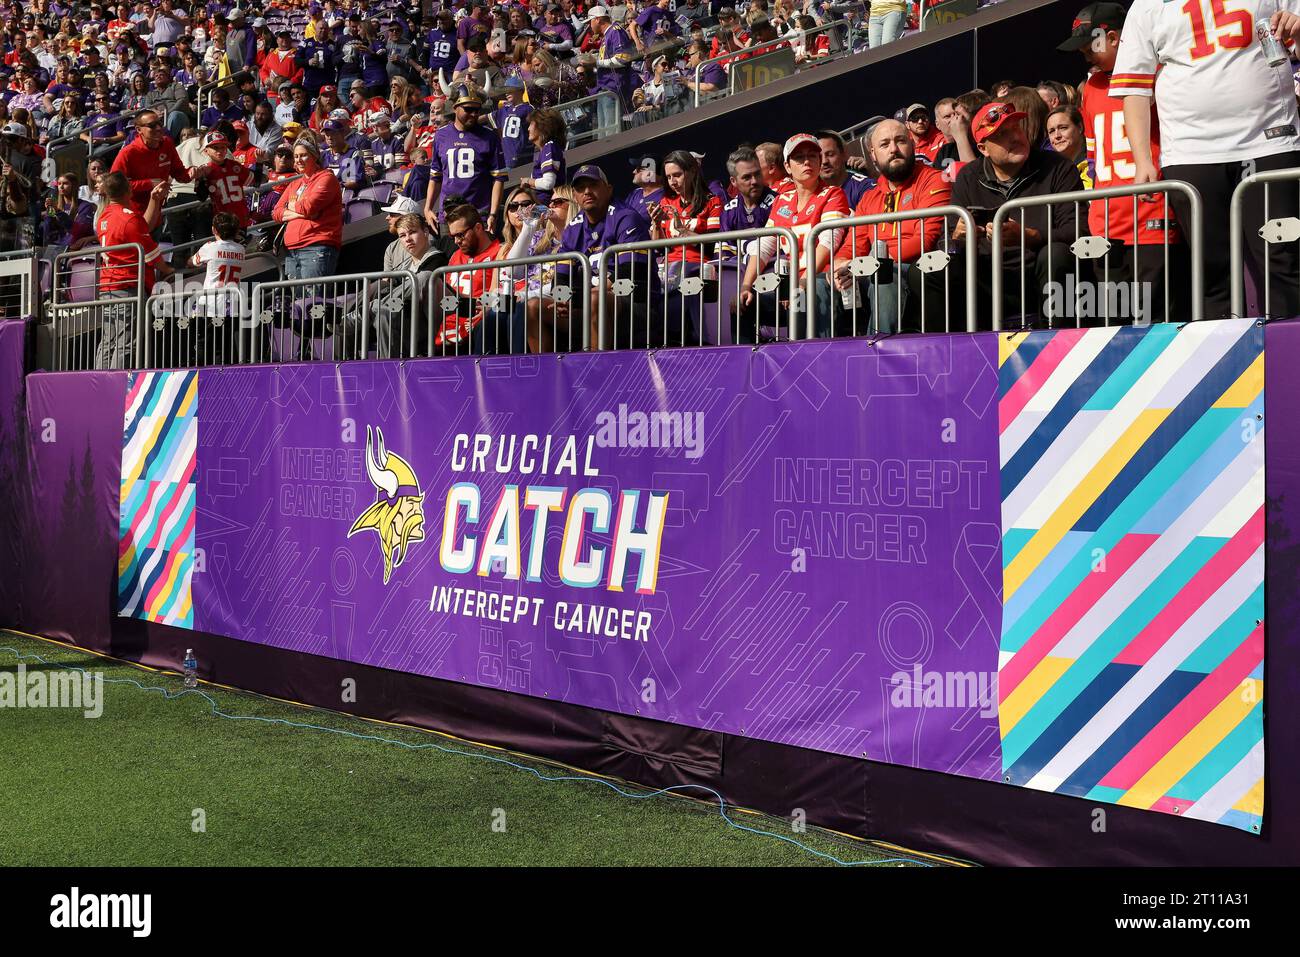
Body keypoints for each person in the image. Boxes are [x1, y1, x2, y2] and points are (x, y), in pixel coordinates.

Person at [1109, 0, 1298, 319]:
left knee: (1282, 258)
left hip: (1270, 140)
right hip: (1191, 151)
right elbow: (1134, 89)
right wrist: (1143, 160)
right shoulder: (1146, 6)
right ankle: (1225, 349)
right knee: (1212, 270)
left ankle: (1290, 347)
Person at [1061, 2, 1182, 324]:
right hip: (1107, 217)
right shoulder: (1090, 87)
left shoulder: (1158, 75)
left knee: (1156, 317)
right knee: (1114, 321)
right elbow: (1093, 154)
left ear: (1113, 38)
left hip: (1151, 211)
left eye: (1090, 47)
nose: (1085, 55)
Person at [946, 100, 1084, 328]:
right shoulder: (969, 177)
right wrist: (959, 237)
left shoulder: (1058, 167)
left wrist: (1030, 236)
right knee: (933, 270)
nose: (1015, 137)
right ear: (983, 148)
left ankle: (1058, 341)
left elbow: (1078, 229)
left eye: (1016, 127)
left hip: (1040, 272)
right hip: (986, 280)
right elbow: (946, 238)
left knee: (1056, 255)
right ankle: (944, 348)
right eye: (1001, 134)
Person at [835, 118, 953, 335]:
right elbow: (853, 246)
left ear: (912, 144)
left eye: (900, 141)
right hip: (870, 270)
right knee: (819, 286)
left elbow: (926, 239)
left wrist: (873, 264)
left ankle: (876, 350)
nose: (893, 149)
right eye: (884, 144)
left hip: (917, 271)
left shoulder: (935, 180)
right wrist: (840, 265)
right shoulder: (869, 197)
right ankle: (813, 353)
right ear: (873, 154)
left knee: (885, 276)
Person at [736, 133, 849, 341]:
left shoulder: (833, 194)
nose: (807, 162)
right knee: (742, 303)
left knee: (802, 296)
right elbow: (764, 247)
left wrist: (802, 282)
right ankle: (745, 360)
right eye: (799, 157)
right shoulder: (782, 201)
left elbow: (828, 242)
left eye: (812, 156)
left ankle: (811, 354)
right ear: (788, 167)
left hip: (822, 282)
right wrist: (745, 286)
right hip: (793, 286)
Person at [558, 163, 653, 350]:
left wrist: (583, 297)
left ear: (608, 189)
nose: (587, 191)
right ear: (575, 196)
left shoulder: (626, 217)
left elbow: (629, 273)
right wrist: (561, 299)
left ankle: (595, 365)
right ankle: (548, 369)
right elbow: (561, 276)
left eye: (593, 185)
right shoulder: (573, 228)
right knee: (534, 307)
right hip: (588, 302)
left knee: (596, 299)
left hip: (636, 303)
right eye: (580, 188)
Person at [93, 171, 172, 369]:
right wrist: (168, 269)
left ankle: (100, 382)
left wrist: (154, 200)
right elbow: (151, 253)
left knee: (108, 340)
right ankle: (118, 384)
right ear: (129, 190)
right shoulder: (128, 218)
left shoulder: (104, 217)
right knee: (126, 342)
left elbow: (141, 227)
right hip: (128, 285)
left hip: (108, 285)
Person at [650, 149, 722, 342]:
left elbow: (711, 244)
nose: (672, 182)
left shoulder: (712, 201)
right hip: (669, 265)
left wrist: (684, 232)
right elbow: (659, 247)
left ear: (692, 172)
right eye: (668, 177)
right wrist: (656, 224)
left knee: (681, 275)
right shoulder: (666, 202)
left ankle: (689, 338)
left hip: (697, 264)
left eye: (677, 175)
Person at [437, 203, 519, 354]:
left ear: (478, 228)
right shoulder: (455, 256)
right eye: (453, 237)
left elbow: (507, 293)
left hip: (479, 327)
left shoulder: (500, 252)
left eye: (460, 235)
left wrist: (489, 305)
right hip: (446, 330)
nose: (456, 241)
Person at [424, 86, 506, 231]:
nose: (474, 114)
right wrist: (427, 208)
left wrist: (493, 213)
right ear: (455, 108)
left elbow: (498, 178)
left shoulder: (489, 137)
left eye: (477, 110)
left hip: (479, 216)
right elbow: (436, 176)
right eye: (468, 109)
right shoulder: (441, 135)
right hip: (448, 216)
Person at [272, 138, 344, 281]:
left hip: (316, 246)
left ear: (314, 156)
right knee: (297, 296)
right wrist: (301, 214)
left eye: (303, 155)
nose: (298, 160)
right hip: (291, 249)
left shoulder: (326, 178)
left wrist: (290, 205)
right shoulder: (294, 184)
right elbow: (276, 213)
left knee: (313, 295)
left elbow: (309, 206)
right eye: (296, 156)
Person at [187, 210, 245, 360]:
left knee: (203, 344)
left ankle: (202, 372)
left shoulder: (210, 247)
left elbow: (191, 263)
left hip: (210, 304)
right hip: (231, 304)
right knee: (225, 345)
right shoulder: (241, 249)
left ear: (214, 230)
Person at [109, 108, 191, 213]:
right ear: (139, 130)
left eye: (159, 123)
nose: (158, 128)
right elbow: (114, 185)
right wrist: (149, 183)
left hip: (157, 210)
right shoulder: (128, 153)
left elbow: (179, 173)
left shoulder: (167, 143)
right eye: (152, 125)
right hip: (133, 212)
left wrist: (193, 172)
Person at [719, 146, 775, 266]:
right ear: (733, 181)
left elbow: (782, 252)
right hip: (739, 273)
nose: (754, 181)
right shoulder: (728, 211)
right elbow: (724, 257)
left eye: (757, 174)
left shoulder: (778, 203)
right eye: (747, 177)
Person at [193, 130, 253, 232]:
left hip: (240, 216)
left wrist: (259, 163)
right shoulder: (204, 170)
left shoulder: (235, 165)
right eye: (215, 148)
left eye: (223, 147)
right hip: (222, 220)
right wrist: (201, 179)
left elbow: (255, 182)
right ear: (206, 151)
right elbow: (201, 197)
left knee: (240, 242)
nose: (220, 151)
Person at [816, 129, 873, 207]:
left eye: (830, 154)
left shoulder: (864, 186)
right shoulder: (809, 191)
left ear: (844, 154)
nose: (824, 161)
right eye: (819, 157)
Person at [522, 106, 565, 204]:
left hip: (547, 206)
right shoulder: (547, 148)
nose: (528, 129)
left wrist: (527, 181)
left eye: (531, 124)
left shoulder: (550, 147)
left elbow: (548, 183)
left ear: (542, 126)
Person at [1045, 106, 1091, 188]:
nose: (1057, 136)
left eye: (1063, 128)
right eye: (1051, 131)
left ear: (1080, 127)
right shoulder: (1049, 170)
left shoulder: (1095, 164)